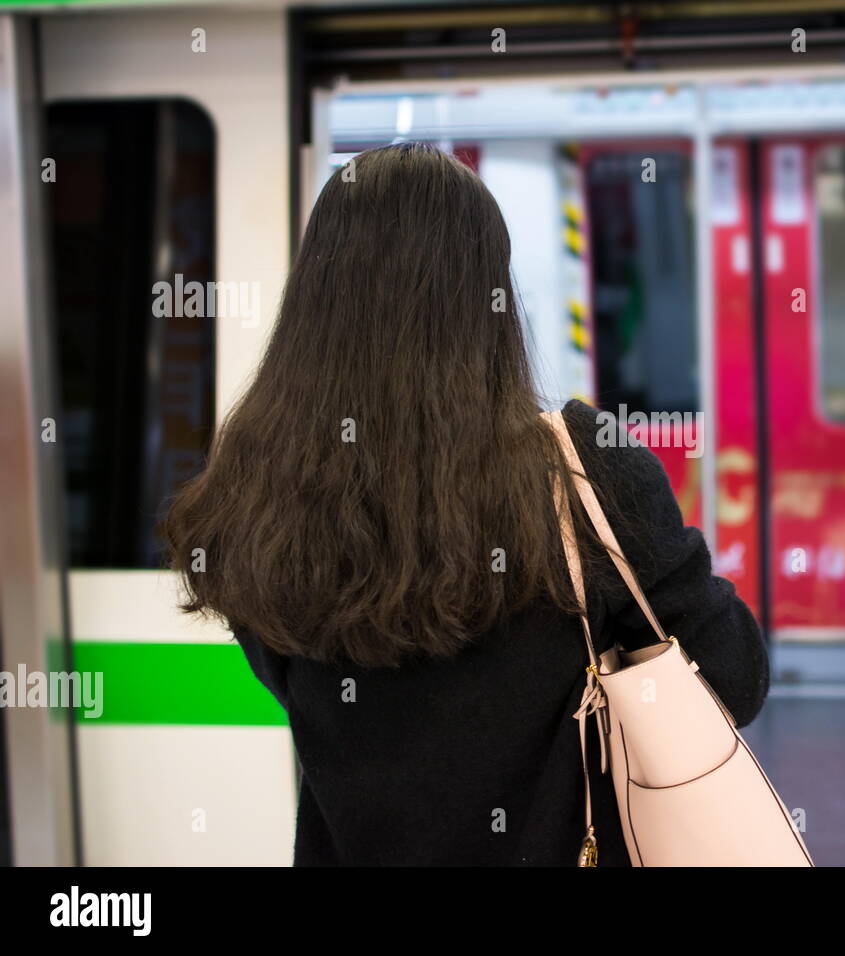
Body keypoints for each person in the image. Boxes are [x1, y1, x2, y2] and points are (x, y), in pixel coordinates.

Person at [162, 142, 768, 866]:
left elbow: (286, 679)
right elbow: (732, 676)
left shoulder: (254, 482)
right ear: (491, 295)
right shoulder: (585, 469)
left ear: (316, 296)